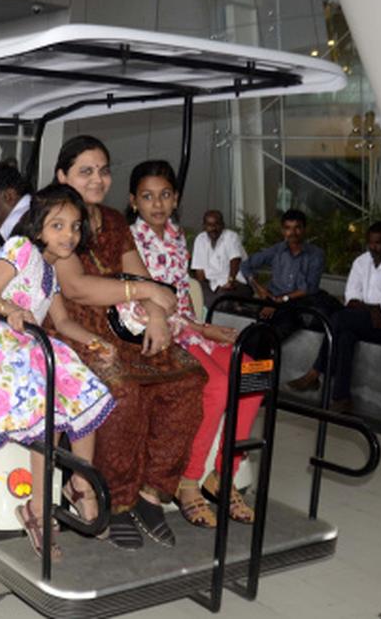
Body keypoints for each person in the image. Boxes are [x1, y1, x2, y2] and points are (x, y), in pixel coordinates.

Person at [0, 185, 117, 558]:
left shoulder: (51, 273)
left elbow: (64, 322)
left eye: (74, 226)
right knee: (49, 407)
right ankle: (36, 508)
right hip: (0, 349)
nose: (68, 235)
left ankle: (80, 484)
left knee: (88, 393)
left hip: (33, 347)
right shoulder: (19, 250)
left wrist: (95, 341)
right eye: (58, 226)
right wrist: (11, 311)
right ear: (38, 228)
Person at [49, 135, 205, 550]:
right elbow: (77, 288)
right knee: (124, 391)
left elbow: (140, 278)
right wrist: (145, 296)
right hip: (72, 329)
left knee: (186, 380)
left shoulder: (115, 223)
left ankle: (152, 494)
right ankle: (115, 499)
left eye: (103, 170)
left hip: (120, 326)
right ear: (63, 175)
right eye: (86, 171)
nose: (97, 179)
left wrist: (156, 313)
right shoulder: (57, 218)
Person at [126, 161, 259, 528]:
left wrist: (202, 328)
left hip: (187, 328)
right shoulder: (130, 241)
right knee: (215, 385)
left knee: (253, 369)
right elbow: (145, 304)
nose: (157, 204)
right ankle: (188, 480)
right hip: (154, 332)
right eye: (148, 196)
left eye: (165, 195)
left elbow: (181, 295)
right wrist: (199, 329)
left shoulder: (176, 235)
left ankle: (225, 473)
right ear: (133, 201)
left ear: (176, 199)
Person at [288, 221, 381, 410]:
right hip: (361, 317)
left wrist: (367, 308)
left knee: (338, 318)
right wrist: (371, 308)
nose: (373, 247)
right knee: (345, 336)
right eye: (370, 242)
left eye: (378, 243)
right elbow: (352, 296)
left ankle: (315, 372)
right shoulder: (361, 262)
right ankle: (341, 398)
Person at [240, 209, 341, 344]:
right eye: (288, 228)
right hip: (273, 297)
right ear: (283, 231)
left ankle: (266, 357)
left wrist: (279, 301)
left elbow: (309, 288)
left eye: (297, 228)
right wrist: (258, 288)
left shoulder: (316, 254)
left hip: (299, 299)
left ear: (305, 229)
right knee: (261, 329)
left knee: (281, 325)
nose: (292, 233)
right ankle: (258, 359)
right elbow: (245, 265)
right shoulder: (276, 250)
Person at [190, 209, 250, 314]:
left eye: (217, 224)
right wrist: (201, 289)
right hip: (213, 285)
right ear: (204, 226)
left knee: (222, 298)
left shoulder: (231, 237)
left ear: (223, 225)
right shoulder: (200, 239)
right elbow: (199, 272)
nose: (213, 228)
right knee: (195, 294)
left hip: (237, 283)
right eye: (209, 225)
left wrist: (230, 281)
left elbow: (235, 260)